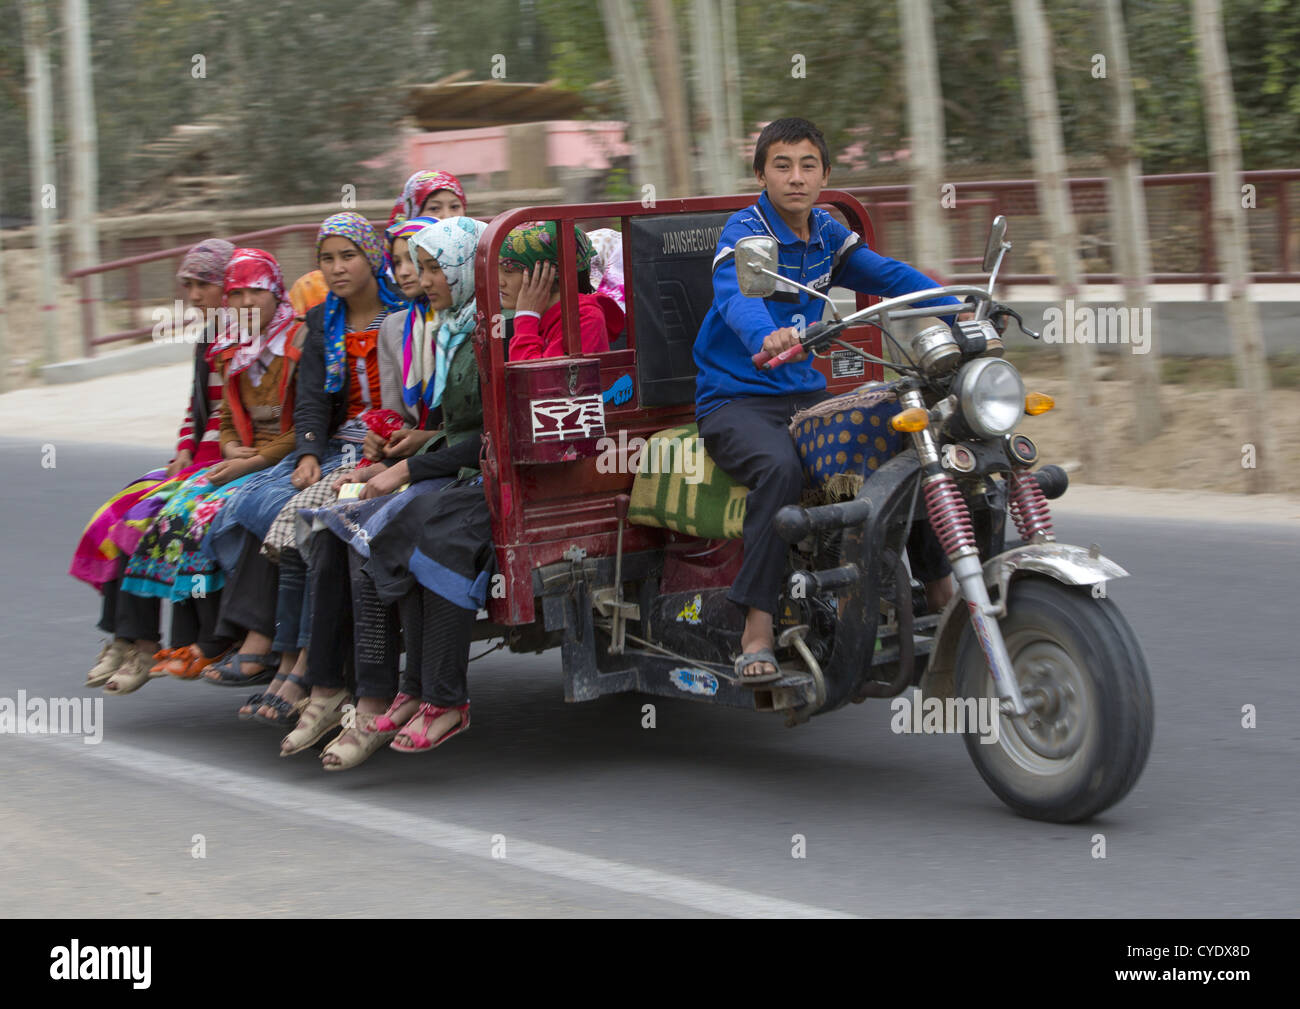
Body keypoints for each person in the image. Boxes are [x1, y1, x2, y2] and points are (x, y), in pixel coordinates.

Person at [693, 117, 958, 685]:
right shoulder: (743, 233)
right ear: (760, 173)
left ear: (825, 174)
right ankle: (757, 629)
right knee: (782, 470)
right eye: (782, 165)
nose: (796, 177)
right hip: (735, 402)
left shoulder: (828, 234)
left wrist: (960, 306)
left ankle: (944, 595)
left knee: (910, 442)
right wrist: (766, 334)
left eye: (808, 165)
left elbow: (887, 275)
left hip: (804, 393)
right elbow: (738, 296)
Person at [280, 216, 492, 767]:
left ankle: (386, 697)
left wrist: (408, 469)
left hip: (465, 474)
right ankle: (332, 689)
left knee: (368, 534)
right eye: (419, 268)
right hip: (440, 460)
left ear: (468, 269)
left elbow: (488, 437)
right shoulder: (450, 329)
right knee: (333, 523)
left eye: (434, 268)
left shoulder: (491, 331)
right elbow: (453, 420)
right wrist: (405, 444)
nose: (422, 281)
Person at [200, 212, 406, 698]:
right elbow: (313, 398)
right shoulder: (321, 321)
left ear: (373, 258)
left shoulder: (402, 317)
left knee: (304, 524)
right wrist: (309, 451)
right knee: (254, 505)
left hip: (386, 452)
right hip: (337, 448)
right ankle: (289, 657)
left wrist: (384, 454)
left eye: (348, 256)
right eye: (327, 259)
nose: (337, 268)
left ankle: (303, 666)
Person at [108, 248, 303, 693]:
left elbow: (306, 425)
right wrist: (217, 451)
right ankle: (139, 641)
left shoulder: (295, 343)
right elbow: (219, 417)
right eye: (237, 293)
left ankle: (213, 639)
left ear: (275, 291)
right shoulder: (225, 346)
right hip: (231, 457)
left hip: (275, 459)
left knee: (201, 516)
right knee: (140, 513)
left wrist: (240, 460)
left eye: (254, 291)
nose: (245, 302)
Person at [76, 238, 234, 688]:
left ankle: (144, 648)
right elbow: (195, 408)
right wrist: (184, 447)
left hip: (227, 466)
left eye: (204, 284)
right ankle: (127, 640)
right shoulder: (206, 339)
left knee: (147, 522)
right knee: (115, 516)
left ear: (230, 286)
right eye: (188, 285)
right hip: (194, 462)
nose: (194, 294)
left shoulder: (249, 340)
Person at [501, 222, 623, 360]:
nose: (500, 282)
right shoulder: (541, 314)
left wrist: (527, 317)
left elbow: (539, 379)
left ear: (546, 273)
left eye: (508, 271)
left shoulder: (585, 318)